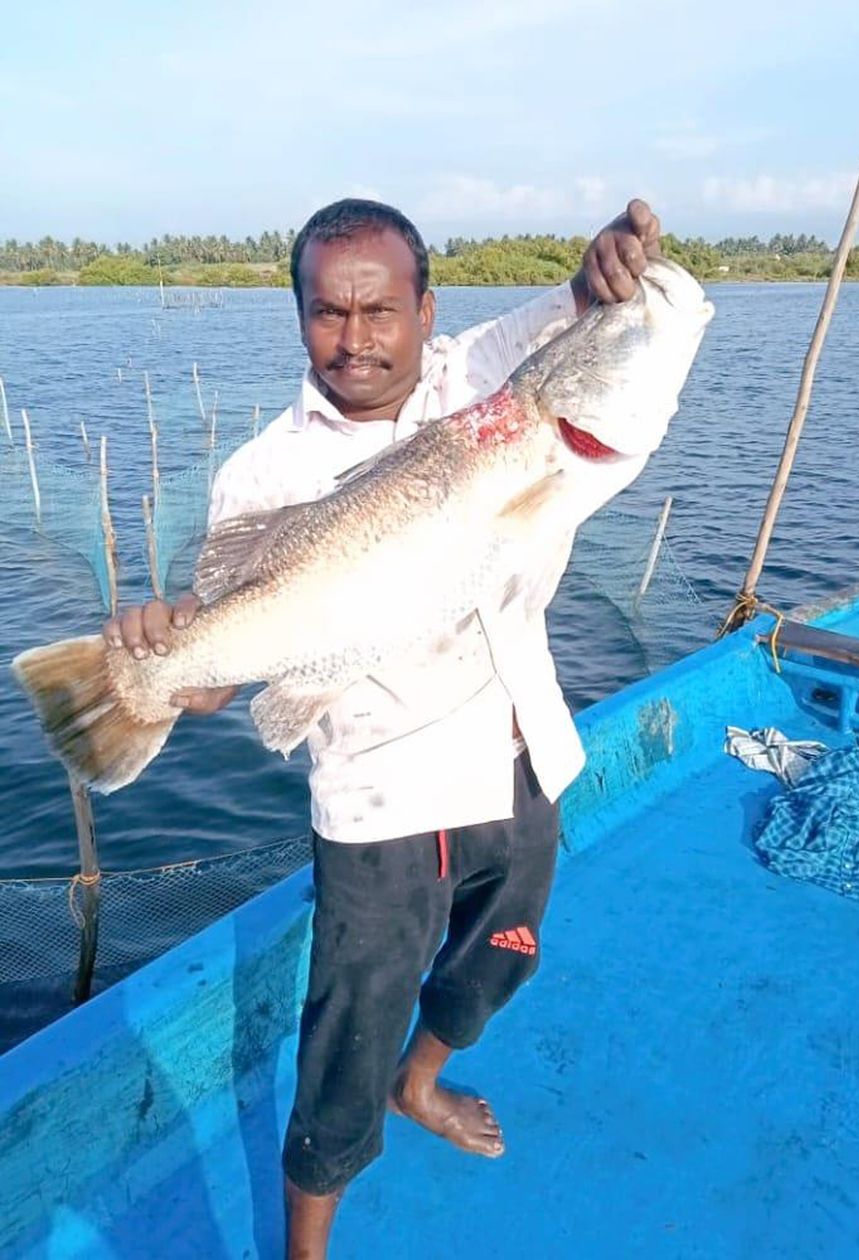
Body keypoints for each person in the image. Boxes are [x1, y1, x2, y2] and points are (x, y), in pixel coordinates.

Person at [104, 195, 663, 1258]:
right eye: (326, 313)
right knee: (343, 1046)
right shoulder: (260, 475)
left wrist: (609, 271)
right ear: (298, 316)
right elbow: (231, 681)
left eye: (379, 310)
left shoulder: (480, 380)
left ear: (425, 309)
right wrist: (160, 658)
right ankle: (309, 1246)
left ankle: (426, 1080)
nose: (355, 338)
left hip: (520, 763)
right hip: (376, 805)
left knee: (502, 956)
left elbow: (580, 310)